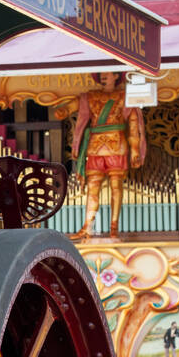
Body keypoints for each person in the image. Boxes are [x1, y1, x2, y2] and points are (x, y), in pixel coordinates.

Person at [53, 72, 147, 240]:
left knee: (116, 187)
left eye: (107, 74)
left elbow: (133, 124)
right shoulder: (91, 96)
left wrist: (134, 149)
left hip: (117, 145)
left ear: (116, 76)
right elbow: (76, 104)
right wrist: (65, 110)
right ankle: (87, 226)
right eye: (102, 74)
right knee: (92, 189)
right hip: (95, 147)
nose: (104, 77)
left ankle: (114, 227)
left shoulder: (124, 96)